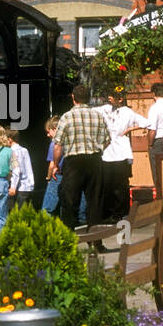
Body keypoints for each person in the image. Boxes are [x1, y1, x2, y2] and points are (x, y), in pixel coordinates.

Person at [52, 84, 109, 231]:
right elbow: (107, 139)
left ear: (73, 98)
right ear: (88, 98)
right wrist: (99, 149)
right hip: (94, 160)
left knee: (70, 202)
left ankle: (69, 240)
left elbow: (58, 145)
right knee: (94, 202)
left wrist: (56, 165)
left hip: (73, 162)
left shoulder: (66, 117)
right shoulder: (98, 115)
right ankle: (95, 242)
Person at [94, 88, 148, 221]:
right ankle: (111, 213)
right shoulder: (105, 109)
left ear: (120, 99)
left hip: (122, 153)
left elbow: (146, 122)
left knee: (121, 186)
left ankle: (122, 213)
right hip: (107, 153)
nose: (110, 98)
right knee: (108, 185)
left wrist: (130, 129)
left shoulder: (127, 112)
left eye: (113, 96)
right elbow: (91, 111)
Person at [6, 127, 35, 206]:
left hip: (20, 188)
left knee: (19, 215)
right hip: (28, 187)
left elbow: (16, 170)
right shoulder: (24, 150)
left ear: (9, 139)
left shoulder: (12, 152)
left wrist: (13, 187)